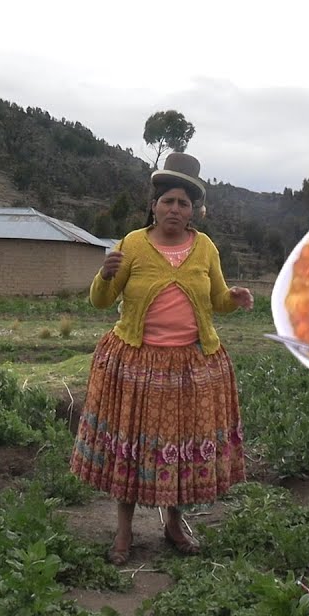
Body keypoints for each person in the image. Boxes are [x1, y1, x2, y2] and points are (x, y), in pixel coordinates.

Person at [69, 151, 254, 565]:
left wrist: (233, 298)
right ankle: (123, 532)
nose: (175, 209)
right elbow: (100, 303)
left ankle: (173, 525)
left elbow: (215, 301)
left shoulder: (205, 248)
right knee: (132, 450)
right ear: (153, 205)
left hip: (189, 367)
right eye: (168, 201)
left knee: (177, 450)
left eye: (183, 203)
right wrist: (104, 275)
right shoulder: (131, 245)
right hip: (136, 366)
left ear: (195, 212)